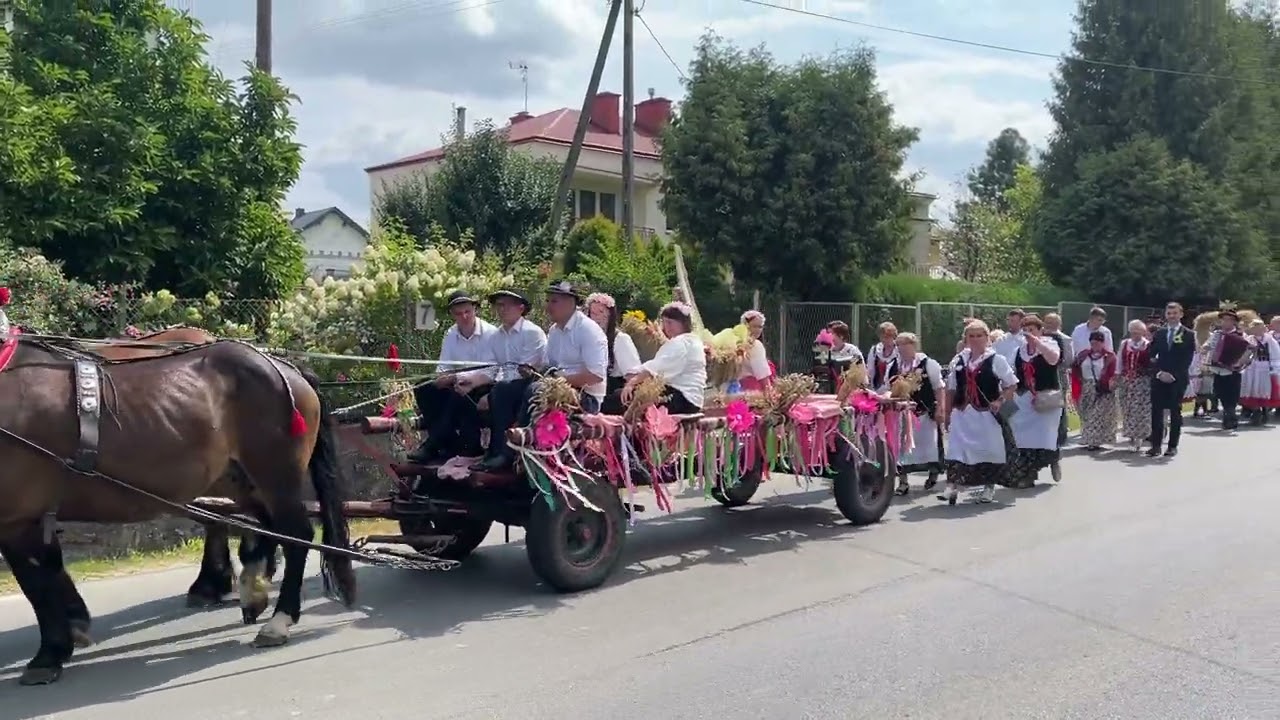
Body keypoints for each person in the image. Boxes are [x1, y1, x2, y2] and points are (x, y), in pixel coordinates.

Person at [460, 289, 548, 471]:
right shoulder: (496, 336)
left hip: (530, 385)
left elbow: (526, 371)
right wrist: (471, 381)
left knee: (501, 392)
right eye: (499, 305)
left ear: (521, 308)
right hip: (506, 386)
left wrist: (492, 392)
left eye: (506, 305)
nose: (501, 309)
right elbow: (492, 369)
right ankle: (476, 449)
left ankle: (504, 453)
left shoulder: (533, 333)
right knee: (467, 393)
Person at [407, 291, 497, 463]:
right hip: (458, 382)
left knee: (459, 393)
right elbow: (444, 365)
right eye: (458, 313)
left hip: (483, 384)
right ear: (452, 315)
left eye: (467, 312)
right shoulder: (451, 334)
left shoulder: (490, 333)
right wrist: (442, 377)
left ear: (474, 310)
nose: (464, 316)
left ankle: (433, 445)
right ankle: (447, 443)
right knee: (424, 387)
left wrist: (458, 377)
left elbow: (491, 370)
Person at [940, 319, 1018, 506]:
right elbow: (951, 388)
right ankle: (952, 486)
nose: (975, 340)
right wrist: (947, 413)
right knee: (957, 449)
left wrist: (999, 401)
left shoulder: (996, 360)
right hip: (962, 412)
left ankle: (988, 487)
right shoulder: (959, 360)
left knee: (988, 450)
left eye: (979, 336)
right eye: (971, 336)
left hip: (985, 413)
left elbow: (1012, 384)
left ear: (987, 338)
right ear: (966, 339)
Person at [1003, 314, 1064, 487]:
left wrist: (1037, 343)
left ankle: (1053, 459)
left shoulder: (1049, 344)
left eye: (1032, 329)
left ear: (1040, 330)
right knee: (1022, 437)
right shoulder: (1018, 350)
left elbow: (1053, 360)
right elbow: (1011, 372)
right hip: (1024, 398)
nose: (1028, 333)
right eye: (1026, 330)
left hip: (1046, 398)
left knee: (1045, 436)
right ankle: (1028, 475)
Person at [620, 302, 707, 414]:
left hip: (682, 398)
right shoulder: (694, 341)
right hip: (693, 400)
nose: (666, 327)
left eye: (670, 322)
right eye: (665, 322)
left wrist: (632, 382)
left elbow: (658, 368)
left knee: (622, 399)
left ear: (684, 323)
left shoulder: (681, 343)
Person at [890, 332, 945, 495]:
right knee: (902, 447)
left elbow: (939, 387)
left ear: (913, 345)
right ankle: (903, 482)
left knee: (929, 445)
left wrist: (941, 408)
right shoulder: (894, 365)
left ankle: (933, 473)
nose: (900, 348)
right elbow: (887, 387)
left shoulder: (928, 364)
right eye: (898, 345)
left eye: (904, 344)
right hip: (902, 413)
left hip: (924, 411)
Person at [1146, 302, 1194, 457]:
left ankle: (1172, 446)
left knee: (1175, 412)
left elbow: (1187, 359)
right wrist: (1159, 373)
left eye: (1175, 313)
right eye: (1169, 313)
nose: (1172, 316)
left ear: (1181, 314)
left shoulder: (1188, 334)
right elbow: (1151, 355)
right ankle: (1156, 445)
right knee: (1156, 412)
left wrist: (1173, 375)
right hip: (1159, 378)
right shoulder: (1160, 333)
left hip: (1177, 379)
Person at [585, 292, 641, 415]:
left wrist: (629, 388)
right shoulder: (586, 339)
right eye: (593, 313)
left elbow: (632, 374)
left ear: (610, 315)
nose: (597, 318)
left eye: (601, 312)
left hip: (611, 388)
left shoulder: (620, 339)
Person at [1204, 306, 1250, 431]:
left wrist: (1240, 362)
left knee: (1232, 395)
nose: (1225, 322)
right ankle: (1228, 415)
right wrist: (1206, 348)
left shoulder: (1242, 336)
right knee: (1220, 393)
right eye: (1223, 320)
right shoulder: (1216, 334)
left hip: (1233, 371)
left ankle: (1230, 417)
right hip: (1217, 368)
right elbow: (1208, 345)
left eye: (1229, 320)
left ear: (1234, 322)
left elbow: (1249, 350)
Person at [1071, 331, 1118, 450]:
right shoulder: (1083, 355)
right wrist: (1080, 380)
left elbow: (1114, 373)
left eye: (1097, 343)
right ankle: (1089, 438)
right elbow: (1075, 367)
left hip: (1102, 389)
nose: (1095, 345)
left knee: (1096, 414)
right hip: (1086, 387)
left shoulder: (1110, 356)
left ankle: (1093, 441)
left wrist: (1110, 383)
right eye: (1092, 343)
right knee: (1086, 413)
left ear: (1103, 343)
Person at [1116, 319, 1154, 452]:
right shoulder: (1125, 344)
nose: (1135, 334)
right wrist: (1117, 375)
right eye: (1133, 332)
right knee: (1127, 409)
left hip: (1143, 382)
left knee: (1141, 411)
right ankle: (1131, 437)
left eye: (1138, 332)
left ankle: (1140, 437)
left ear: (1143, 332)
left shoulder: (1148, 345)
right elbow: (1119, 361)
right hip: (1127, 381)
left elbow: (1152, 363)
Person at [1239, 318, 1280, 425]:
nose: (1258, 330)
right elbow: (1244, 354)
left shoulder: (1269, 340)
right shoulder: (1249, 339)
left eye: (1260, 328)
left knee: (1264, 389)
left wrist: (1274, 368)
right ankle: (1256, 411)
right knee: (1252, 389)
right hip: (1251, 368)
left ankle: (1265, 411)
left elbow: (1275, 354)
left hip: (1265, 368)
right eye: (1256, 328)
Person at [1043, 312, 1074, 447]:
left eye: (1052, 322)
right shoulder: (1039, 338)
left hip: (1059, 375)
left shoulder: (1065, 339)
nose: (1049, 325)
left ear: (1059, 324)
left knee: (1059, 406)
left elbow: (1069, 359)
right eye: (1047, 321)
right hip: (1042, 375)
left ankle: (1060, 434)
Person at [738, 310, 772, 391]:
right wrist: (770, 395)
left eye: (760, 327)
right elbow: (762, 374)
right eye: (754, 326)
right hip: (752, 391)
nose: (757, 330)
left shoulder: (733, 341)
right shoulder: (755, 346)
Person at [867, 321, 900, 392]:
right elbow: (870, 371)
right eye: (882, 336)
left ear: (893, 336)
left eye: (887, 337)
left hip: (894, 391)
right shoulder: (875, 350)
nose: (883, 339)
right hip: (875, 390)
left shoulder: (899, 351)